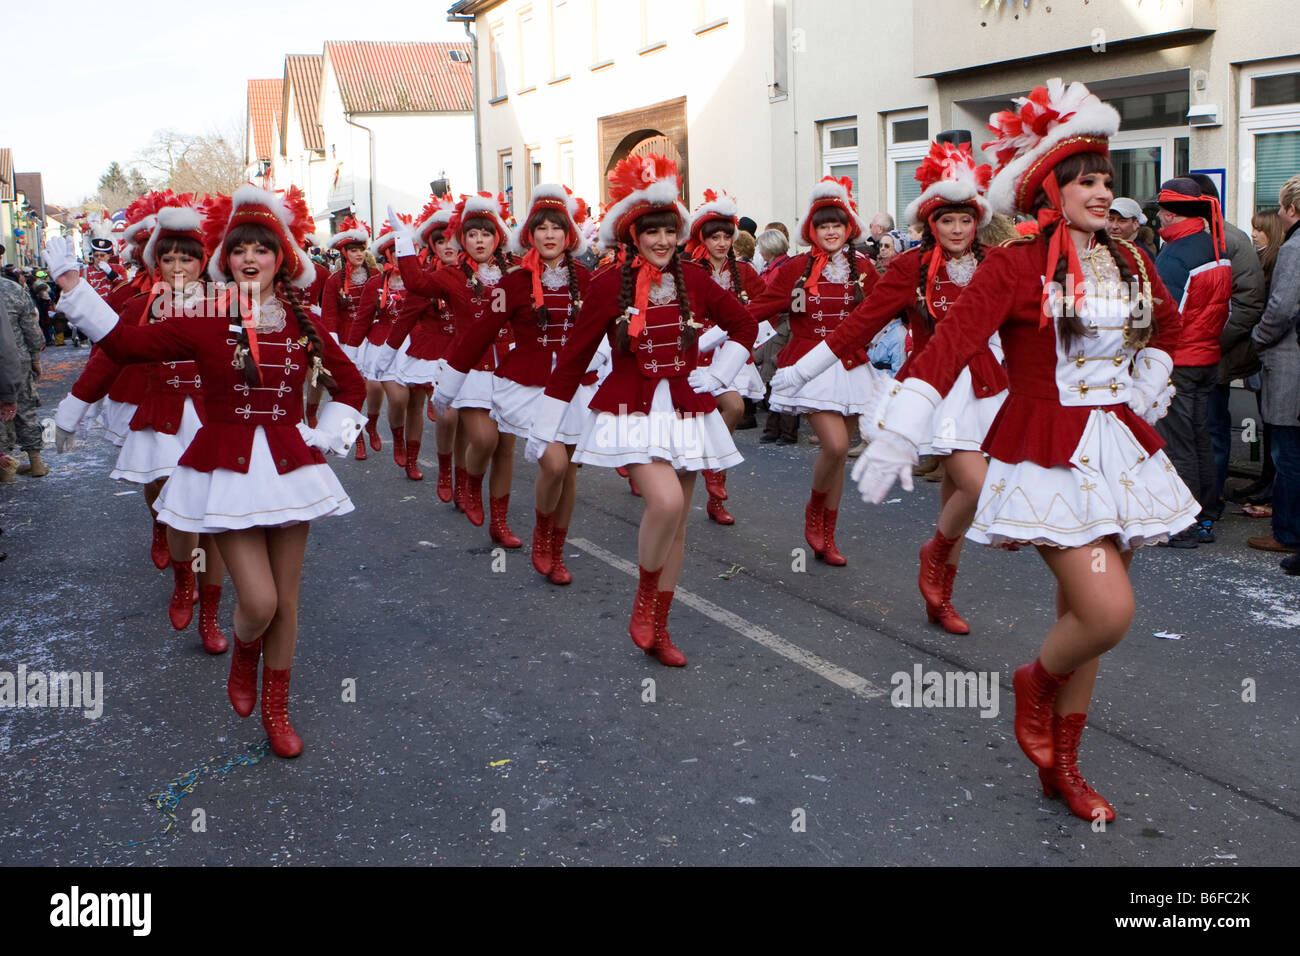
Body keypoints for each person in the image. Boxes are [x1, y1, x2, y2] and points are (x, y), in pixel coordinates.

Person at [855, 78, 1197, 822]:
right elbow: (949, 344)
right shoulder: (1017, 264)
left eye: (1109, 180)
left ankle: (1063, 767)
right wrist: (898, 429)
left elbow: (1169, 329)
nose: (1102, 192)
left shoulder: (1131, 263)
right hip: (1047, 454)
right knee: (1107, 611)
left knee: (1087, 618)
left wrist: (1151, 372)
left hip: (1120, 452)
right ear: (1052, 188)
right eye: (1086, 182)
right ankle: (1032, 682)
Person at [47, 185, 367, 758]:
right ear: (226, 261)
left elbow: (351, 385)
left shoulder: (303, 321)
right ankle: (245, 652)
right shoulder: (202, 319)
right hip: (226, 469)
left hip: (293, 467)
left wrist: (326, 433)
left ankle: (277, 709)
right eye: (239, 249)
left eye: (262, 250)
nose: (250, 258)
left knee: (287, 603)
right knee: (261, 602)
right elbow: (124, 344)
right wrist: (75, 289)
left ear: (283, 259)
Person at [525, 154, 756, 666]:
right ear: (632, 236)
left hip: (688, 410)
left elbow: (745, 325)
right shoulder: (609, 285)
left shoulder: (695, 279)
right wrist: (546, 427)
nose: (662, 241)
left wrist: (717, 376)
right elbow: (573, 359)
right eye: (651, 232)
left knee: (678, 525)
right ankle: (644, 601)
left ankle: (660, 625)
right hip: (633, 409)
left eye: (669, 231)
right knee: (667, 504)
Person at [773, 139, 1005, 633]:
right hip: (933, 389)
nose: (958, 229)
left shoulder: (997, 264)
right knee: (975, 485)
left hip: (988, 387)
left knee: (956, 496)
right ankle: (933, 554)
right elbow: (859, 324)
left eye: (966, 219)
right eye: (947, 220)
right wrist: (800, 371)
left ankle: (941, 591)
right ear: (930, 224)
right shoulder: (907, 269)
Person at [59, 196, 234, 651]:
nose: (178, 265)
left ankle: (209, 613)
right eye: (169, 257)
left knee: (211, 516)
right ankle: (183, 581)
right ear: (156, 260)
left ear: (204, 261)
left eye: (188, 257)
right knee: (170, 501)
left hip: (212, 416)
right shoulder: (142, 303)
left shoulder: (228, 303)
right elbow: (108, 356)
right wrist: (74, 406)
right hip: (162, 415)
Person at [428, 185, 595, 581]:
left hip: (574, 386)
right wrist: (446, 390)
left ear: (569, 234)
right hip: (528, 383)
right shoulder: (514, 284)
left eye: (558, 227)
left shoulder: (588, 279)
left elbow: (604, 329)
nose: (550, 235)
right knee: (553, 463)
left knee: (569, 469)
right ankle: (540, 533)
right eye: (542, 228)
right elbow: (478, 335)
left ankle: (556, 548)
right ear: (530, 235)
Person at [748, 176, 880, 565]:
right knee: (836, 446)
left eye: (837, 225)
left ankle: (828, 530)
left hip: (853, 366)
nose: (831, 232)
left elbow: (883, 307)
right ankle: (814, 510)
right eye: (823, 226)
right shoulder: (795, 270)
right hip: (810, 365)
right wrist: (723, 324)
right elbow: (766, 305)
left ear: (849, 227)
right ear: (812, 230)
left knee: (839, 456)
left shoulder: (866, 268)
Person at [393, 192, 516, 536]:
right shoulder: (452, 276)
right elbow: (416, 283)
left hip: (509, 370)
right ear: (464, 239)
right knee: (484, 439)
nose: (479, 241)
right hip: (470, 370)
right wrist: (403, 239)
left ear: (498, 238)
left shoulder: (518, 274)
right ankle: (471, 484)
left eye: (486, 234)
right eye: (472, 235)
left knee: (506, 448)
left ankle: (500, 523)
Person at [1152, 178, 1232, 547]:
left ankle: (1182, 524)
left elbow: (1160, 315)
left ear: (1169, 213)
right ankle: (1204, 515)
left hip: (1179, 361)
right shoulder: (1216, 246)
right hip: (1207, 356)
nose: (1157, 220)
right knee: (1200, 439)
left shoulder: (1175, 253)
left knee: (1178, 443)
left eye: (1159, 213)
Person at [683, 190, 768, 525]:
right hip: (692, 353)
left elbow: (764, 308)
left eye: (727, 236)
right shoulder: (688, 269)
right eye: (714, 236)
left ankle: (715, 480)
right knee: (684, 422)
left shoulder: (745, 272)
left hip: (729, 355)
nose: (721, 242)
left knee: (734, 406)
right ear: (702, 237)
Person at [1187, 173, 1266, 524]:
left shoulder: (1231, 240)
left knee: (1213, 431)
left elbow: (1249, 303)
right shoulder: (1186, 238)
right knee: (1190, 431)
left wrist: (1210, 340)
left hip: (1214, 356)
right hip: (1185, 357)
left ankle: (1209, 503)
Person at [378, 196, 460, 486]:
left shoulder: (475, 276)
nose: (447, 247)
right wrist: (386, 356)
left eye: (451, 240)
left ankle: (451, 473)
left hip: (461, 353)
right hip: (427, 352)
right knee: (414, 405)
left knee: (455, 417)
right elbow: (404, 321)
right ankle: (410, 455)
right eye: (440, 242)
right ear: (432, 246)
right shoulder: (426, 279)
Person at [1248, 175, 1300, 562]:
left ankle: (1287, 531)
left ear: (1293, 209)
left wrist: (1257, 339)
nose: (1279, 214)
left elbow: (1281, 308)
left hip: (1290, 364)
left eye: (1281, 207)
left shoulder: (1294, 249)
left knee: (1287, 452)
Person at [1231, 209, 1287, 505]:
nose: (1253, 234)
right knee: (1267, 424)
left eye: (1259, 229)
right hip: (1262, 354)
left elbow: (1276, 309)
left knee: (1276, 426)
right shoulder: (1261, 259)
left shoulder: (1278, 259)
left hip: (1270, 353)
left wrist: (1258, 339)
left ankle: (1271, 485)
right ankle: (1266, 480)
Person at [346, 220, 411, 466]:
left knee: (399, 400)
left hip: (410, 346)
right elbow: (360, 319)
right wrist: (349, 350)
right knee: (362, 393)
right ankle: (364, 429)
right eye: (395, 251)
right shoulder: (375, 283)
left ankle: (398, 440)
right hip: (374, 344)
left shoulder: (417, 281)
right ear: (387, 254)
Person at [311, 216, 375, 431]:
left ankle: (372, 425)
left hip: (373, 337)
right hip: (348, 339)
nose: (358, 254)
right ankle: (356, 438)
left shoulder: (376, 275)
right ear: (344, 253)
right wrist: (335, 344)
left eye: (361, 249)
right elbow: (329, 315)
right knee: (352, 387)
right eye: (353, 250)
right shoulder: (332, 280)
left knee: (373, 387)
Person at [0, 272, 45, 477]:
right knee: (26, 409)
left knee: (3, 415)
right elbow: (31, 327)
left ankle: (5, 465)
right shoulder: (13, 289)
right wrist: (36, 356)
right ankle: (36, 462)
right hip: (19, 359)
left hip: (10, 358)